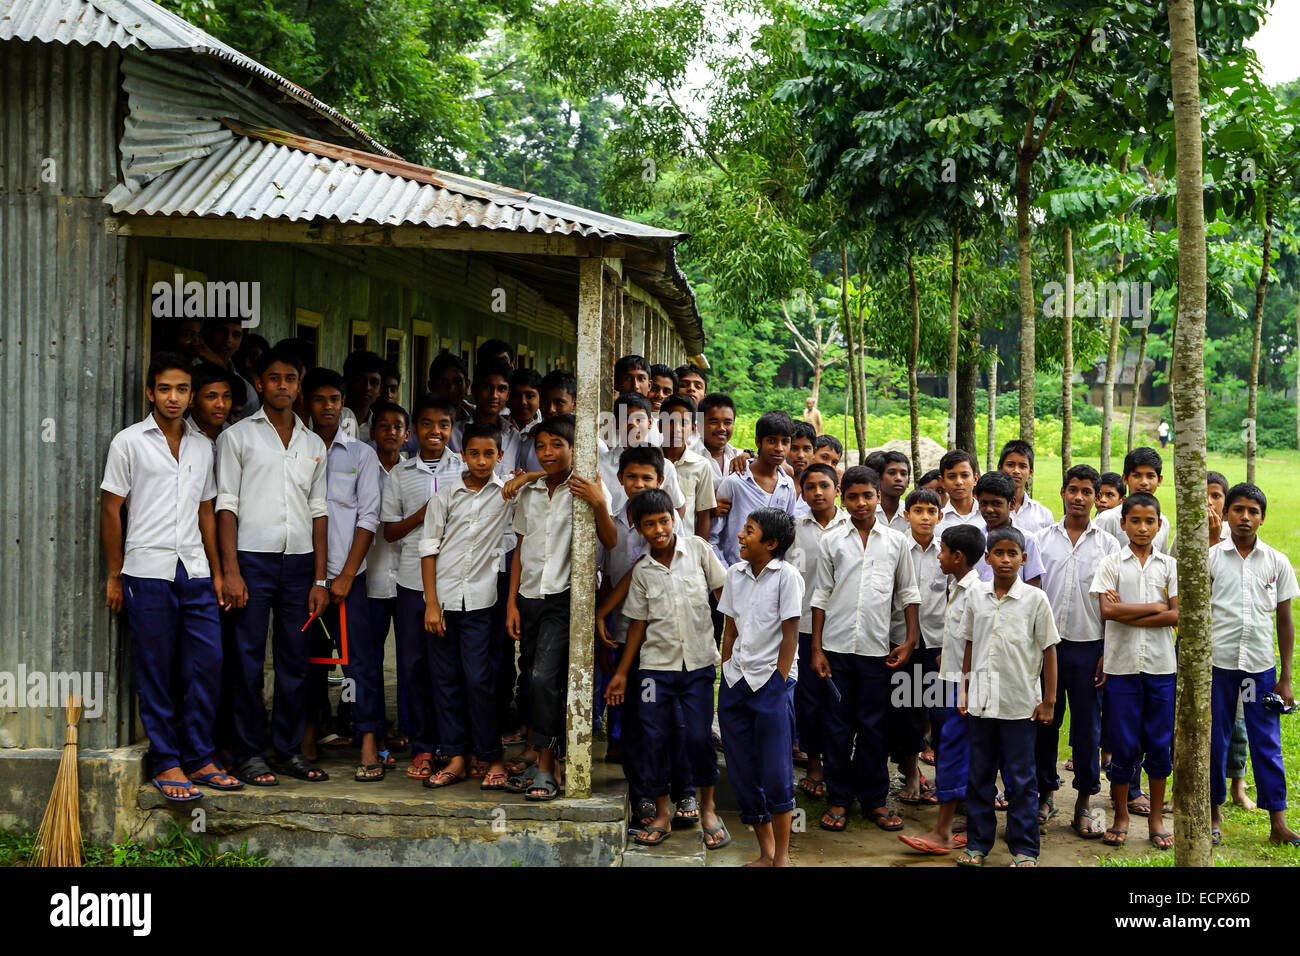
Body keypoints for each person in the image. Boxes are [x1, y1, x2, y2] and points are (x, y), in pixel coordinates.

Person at [100, 354, 238, 800]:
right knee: (156, 670)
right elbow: (111, 509)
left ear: (191, 395)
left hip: (195, 570)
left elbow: (206, 512)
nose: (173, 397)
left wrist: (218, 574)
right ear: (150, 393)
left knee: (207, 664)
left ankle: (199, 756)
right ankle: (167, 761)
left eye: (181, 390)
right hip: (146, 571)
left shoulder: (203, 446)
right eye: (164, 389)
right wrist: (114, 575)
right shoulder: (129, 442)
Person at [215, 344, 330, 785]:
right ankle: (248, 753)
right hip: (251, 561)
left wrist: (320, 577)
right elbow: (227, 507)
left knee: (296, 661)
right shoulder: (237, 437)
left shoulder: (312, 442)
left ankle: (286, 751)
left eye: (291, 379)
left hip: (300, 566)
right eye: (275, 378)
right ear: (260, 384)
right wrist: (231, 571)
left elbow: (319, 513)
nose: (283, 386)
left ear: (299, 385)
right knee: (246, 661)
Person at [604, 488, 729, 849]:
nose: (658, 529)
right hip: (654, 672)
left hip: (700, 666)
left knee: (698, 737)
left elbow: (725, 597)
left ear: (674, 518)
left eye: (663, 521)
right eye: (649, 524)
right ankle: (661, 812)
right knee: (653, 737)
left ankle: (708, 808)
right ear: (638, 528)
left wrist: (736, 646)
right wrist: (623, 673)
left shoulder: (700, 551)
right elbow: (638, 626)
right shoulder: (642, 571)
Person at [505, 414, 617, 800]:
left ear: (574, 449)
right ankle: (545, 756)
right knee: (532, 681)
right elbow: (520, 549)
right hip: (528, 597)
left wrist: (600, 504)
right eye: (541, 446)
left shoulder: (588, 489)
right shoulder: (531, 492)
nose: (548, 452)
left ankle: (547, 765)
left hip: (563, 598)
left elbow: (611, 539)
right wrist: (511, 604)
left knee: (543, 678)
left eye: (557, 445)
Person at [809, 466, 920, 834]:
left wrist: (909, 640)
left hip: (877, 649)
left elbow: (908, 593)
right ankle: (839, 798)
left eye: (867, 496)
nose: (860, 503)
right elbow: (821, 596)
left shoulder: (896, 542)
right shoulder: (832, 541)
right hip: (836, 648)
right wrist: (817, 648)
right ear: (843, 497)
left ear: (879, 496)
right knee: (837, 726)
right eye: (853, 496)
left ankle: (874, 799)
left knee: (875, 727)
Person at [954, 526, 1060, 867]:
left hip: (1020, 705)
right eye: (998, 553)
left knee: (1021, 779)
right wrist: (964, 688)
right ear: (987, 558)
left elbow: (1049, 650)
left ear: (1023, 559)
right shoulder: (976, 596)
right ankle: (978, 844)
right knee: (979, 776)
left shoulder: (1035, 599)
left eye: (1012, 553)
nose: (1005, 559)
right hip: (982, 703)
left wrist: (1050, 700)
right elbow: (970, 644)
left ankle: (1024, 849)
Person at [420, 421, 515, 792]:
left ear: (500, 456)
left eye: (488, 453)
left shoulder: (506, 492)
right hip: (442, 602)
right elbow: (428, 549)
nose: (480, 460)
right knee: (445, 681)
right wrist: (431, 603)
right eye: (473, 453)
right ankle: (456, 757)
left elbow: (549, 475)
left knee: (479, 680)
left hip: (480, 601)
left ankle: (492, 756)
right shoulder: (446, 495)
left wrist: (522, 478)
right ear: (463, 455)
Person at [593, 446, 685, 826]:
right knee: (633, 717)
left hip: (666, 635)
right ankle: (642, 791)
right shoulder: (610, 520)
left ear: (661, 481)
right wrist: (600, 618)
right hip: (623, 630)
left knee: (669, 717)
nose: (639, 484)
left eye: (647, 478)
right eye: (632, 477)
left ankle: (681, 791)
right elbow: (609, 575)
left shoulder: (672, 523)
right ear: (620, 480)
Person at [1208, 483, 1300, 847]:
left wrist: (1287, 677)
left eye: (1253, 511)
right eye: (1238, 510)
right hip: (1219, 667)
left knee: (1267, 742)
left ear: (1262, 517)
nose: (1245, 517)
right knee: (1216, 740)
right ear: (1227, 513)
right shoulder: (1212, 558)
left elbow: (1285, 621)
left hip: (1259, 670)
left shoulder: (1276, 562)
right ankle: (1213, 813)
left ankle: (1277, 820)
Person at [302, 368, 382, 779]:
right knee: (308, 659)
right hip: (306, 576)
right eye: (320, 399)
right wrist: (319, 578)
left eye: (335, 399)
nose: (328, 407)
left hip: (349, 575)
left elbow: (368, 517)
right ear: (307, 403)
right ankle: (310, 733)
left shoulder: (361, 454)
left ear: (343, 403)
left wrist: (347, 574)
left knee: (360, 662)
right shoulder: (299, 448)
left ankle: (368, 740)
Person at [1033, 464, 1119, 838]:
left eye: (1087, 491)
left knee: (1088, 729)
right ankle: (1044, 794)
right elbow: (1033, 594)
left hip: (1090, 649)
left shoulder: (1108, 545)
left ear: (1097, 496)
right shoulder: (1041, 539)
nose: (1080, 497)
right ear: (1063, 492)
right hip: (1045, 648)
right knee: (1044, 723)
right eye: (1073, 489)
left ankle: (1084, 801)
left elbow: (1115, 602)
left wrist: (1107, 650)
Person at [1090, 492, 1179, 850]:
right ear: (1123, 523)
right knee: (1123, 742)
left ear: (1159, 526)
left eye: (1150, 522)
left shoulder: (1168, 566)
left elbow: (1177, 615)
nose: (1143, 528)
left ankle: (1156, 817)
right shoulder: (1111, 563)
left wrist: (1130, 609)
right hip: (1122, 666)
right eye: (1135, 521)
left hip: (1160, 667)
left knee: (1158, 743)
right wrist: (1156, 606)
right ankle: (1121, 814)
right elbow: (1107, 613)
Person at [382, 396, 463, 781]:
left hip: (453, 585)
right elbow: (390, 530)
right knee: (413, 668)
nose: (435, 432)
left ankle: (454, 747)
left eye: (443, 424)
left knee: (448, 670)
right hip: (411, 584)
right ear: (414, 430)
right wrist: (424, 515)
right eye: (427, 424)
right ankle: (422, 747)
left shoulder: (464, 470)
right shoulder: (400, 474)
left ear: (452, 428)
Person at [717, 507, 804, 866]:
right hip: (736, 679)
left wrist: (778, 682)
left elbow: (791, 635)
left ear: (770, 543)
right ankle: (766, 853)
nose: (740, 535)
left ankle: (781, 858)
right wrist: (724, 672)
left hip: (771, 681)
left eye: (749, 531)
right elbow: (730, 628)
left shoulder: (787, 577)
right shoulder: (735, 575)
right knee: (742, 769)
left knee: (776, 772)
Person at [898, 523, 983, 855]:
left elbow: (978, 644)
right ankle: (958, 826)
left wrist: (963, 683)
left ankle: (943, 832)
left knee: (953, 753)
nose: (938, 555)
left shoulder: (974, 594)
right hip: (950, 681)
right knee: (953, 751)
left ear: (958, 556)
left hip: (961, 690)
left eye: (943, 550)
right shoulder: (957, 587)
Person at [788, 463, 848, 800]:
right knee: (808, 700)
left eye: (824, 486)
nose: (818, 493)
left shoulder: (853, 525)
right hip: (806, 628)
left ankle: (840, 766)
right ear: (802, 491)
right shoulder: (794, 530)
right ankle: (813, 764)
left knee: (838, 701)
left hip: (843, 630)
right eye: (810, 487)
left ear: (836, 488)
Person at [891, 487, 946, 806]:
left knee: (937, 710)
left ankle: (944, 779)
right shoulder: (899, 547)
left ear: (940, 516)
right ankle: (910, 772)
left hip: (938, 643)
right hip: (904, 640)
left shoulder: (947, 550)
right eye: (918, 511)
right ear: (906, 514)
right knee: (908, 709)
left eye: (931, 512)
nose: (925, 517)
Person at [366, 400, 409, 766]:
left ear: (406, 434)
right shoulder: (362, 468)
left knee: (411, 660)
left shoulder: (413, 472)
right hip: (373, 575)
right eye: (384, 426)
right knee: (371, 658)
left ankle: (408, 728)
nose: (391, 432)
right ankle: (373, 728)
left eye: (397, 426)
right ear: (372, 432)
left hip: (410, 578)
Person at [713, 411, 799, 566]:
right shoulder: (734, 483)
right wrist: (725, 577)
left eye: (785, 442)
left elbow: (788, 534)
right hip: (735, 572)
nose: (779, 448)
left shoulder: (787, 485)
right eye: (772, 441)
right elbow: (713, 537)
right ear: (758, 442)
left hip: (772, 576)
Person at [599, 392, 687, 516]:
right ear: (616, 423)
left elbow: (678, 507)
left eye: (639, 419)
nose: (633, 424)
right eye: (626, 418)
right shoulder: (600, 466)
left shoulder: (665, 466)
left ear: (650, 423)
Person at [660, 394, 717, 540]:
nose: (676, 429)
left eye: (683, 423)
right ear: (660, 425)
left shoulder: (702, 466)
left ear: (692, 428)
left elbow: (703, 515)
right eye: (670, 421)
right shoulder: (650, 462)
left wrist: (698, 552)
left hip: (685, 546)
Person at [973, 471, 1044, 587]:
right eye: (984, 503)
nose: (989, 509)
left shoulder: (1028, 540)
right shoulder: (974, 540)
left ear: (1012, 504)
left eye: (996, 503)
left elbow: (1033, 588)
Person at [1093, 448, 1170, 552]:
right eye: (1137, 475)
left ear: (1159, 480)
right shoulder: (1107, 520)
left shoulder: (1163, 522)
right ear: (1125, 479)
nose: (1144, 482)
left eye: (1150, 476)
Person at [449, 359, 520, 472]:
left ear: (508, 395)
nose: (494, 395)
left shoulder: (513, 437)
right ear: (474, 389)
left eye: (501, 389)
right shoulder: (453, 434)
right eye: (487, 387)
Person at [998, 439, 1055, 534]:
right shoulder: (989, 511)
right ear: (999, 468)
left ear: (1031, 472)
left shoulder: (1043, 515)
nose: (1016, 471)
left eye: (1022, 466)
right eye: (1010, 465)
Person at [187, 362, 241, 447]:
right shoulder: (180, 438)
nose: (221, 404)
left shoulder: (237, 435)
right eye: (211, 397)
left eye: (226, 396)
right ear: (191, 400)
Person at [342, 350, 385, 443]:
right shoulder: (332, 419)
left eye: (374, 383)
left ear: (380, 390)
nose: (367, 387)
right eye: (360, 380)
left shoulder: (378, 426)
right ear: (347, 382)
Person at [938, 449, 981, 528]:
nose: (959, 482)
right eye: (951, 476)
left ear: (975, 479)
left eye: (965, 475)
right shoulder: (937, 521)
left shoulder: (988, 517)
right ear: (942, 482)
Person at [875, 450, 911, 533]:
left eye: (903, 474)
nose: (898, 478)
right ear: (879, 478)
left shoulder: (912, 513)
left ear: (908, 481)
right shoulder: (866, 511)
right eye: (892, 473)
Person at [788, 421, 817, 490]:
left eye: (806, 449)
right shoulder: (775, 482)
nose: (800, 455)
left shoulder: (818, 487)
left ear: (814, 452)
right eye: (794, 448)